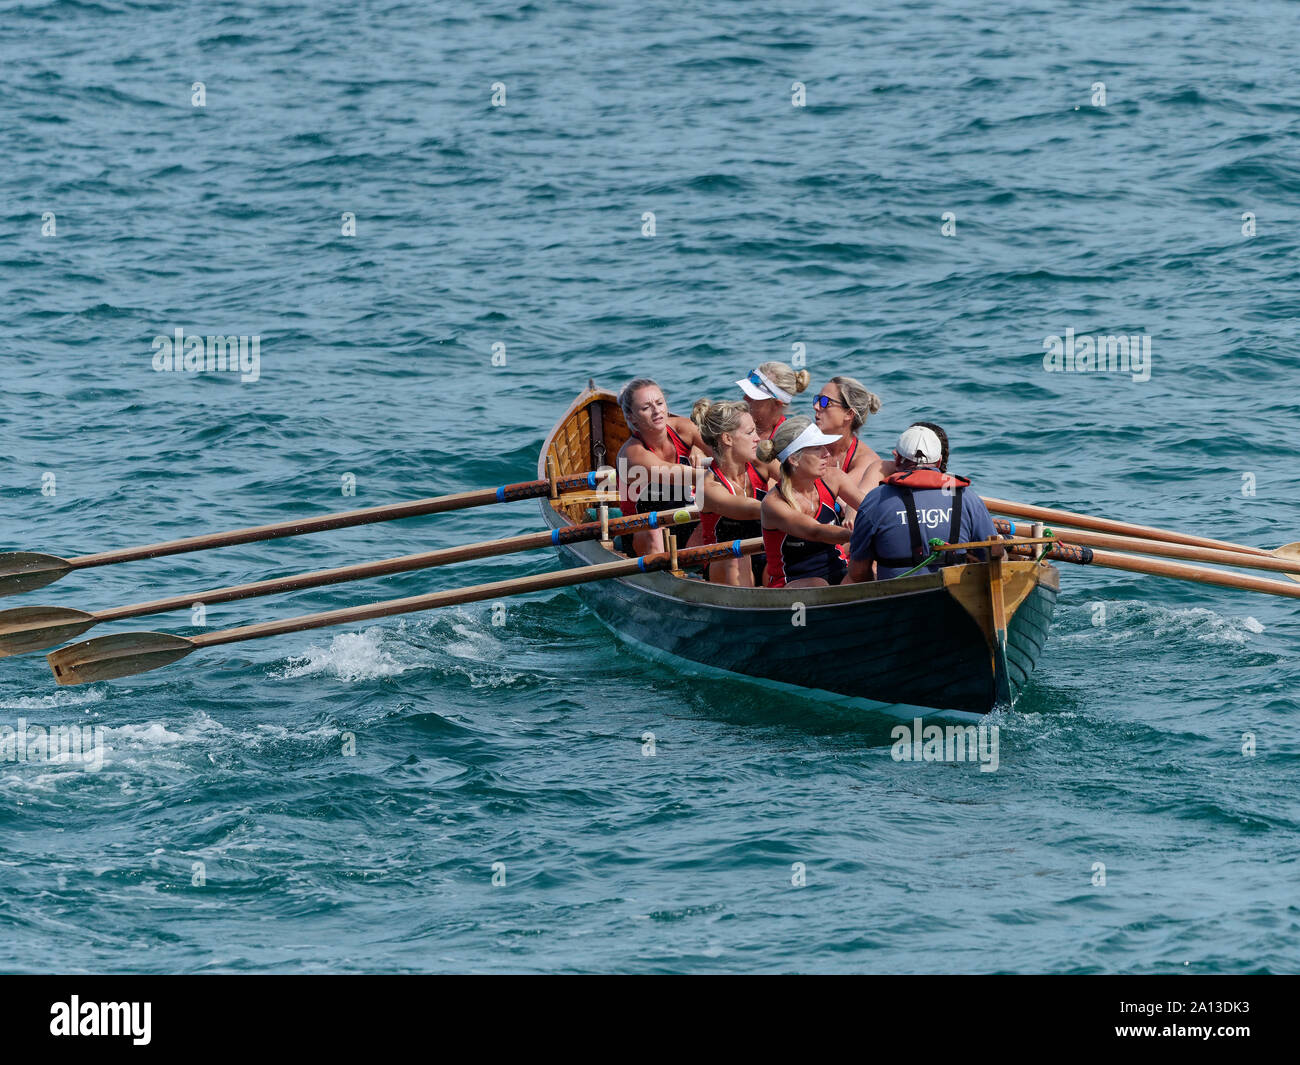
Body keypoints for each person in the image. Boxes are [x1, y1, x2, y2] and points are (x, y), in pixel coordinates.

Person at [847, 423, 1000, 582]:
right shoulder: (967, 497)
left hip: (895, 599)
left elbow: (858, 572)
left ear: (897, 459)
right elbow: (995, 560)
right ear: (939, 462)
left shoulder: (875, 500)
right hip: (954, 598)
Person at [758, 417, 866, 588]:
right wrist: (859, 536)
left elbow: (869, 508)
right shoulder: (774, 504)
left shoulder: (834, 478)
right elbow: (816, 532)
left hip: (838, 570)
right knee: (818, 584)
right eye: (817, 448)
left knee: (870, 571)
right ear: (794, 459)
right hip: (792, 582)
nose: (827, 453)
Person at [616, 378, 709, 556]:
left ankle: (698, 568)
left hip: (685, 520)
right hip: (643, 531)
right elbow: (680, 475)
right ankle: (662, 573)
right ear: (631, 418)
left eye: (659, 403)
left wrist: (699, 448)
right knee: (653, 529)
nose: (656, 410)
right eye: (646, 408)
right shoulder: (632, 454)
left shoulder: (684, 428)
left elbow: (723, 451)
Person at [691, 399, 765, 586]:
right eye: (750, 433)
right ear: (727, 439)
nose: (758, 438)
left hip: (763, 555)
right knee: (736, 555)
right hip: (724, 564)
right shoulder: (708, 488)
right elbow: (752, 509)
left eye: (756, 431)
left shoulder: (761, 465)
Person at [811, 376, 883, 483]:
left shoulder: (867, 462)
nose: (816, 406)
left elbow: (831, 495)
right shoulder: (805, 446)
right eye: (818, 399)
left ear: (849, 414)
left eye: (825, 402)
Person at [736, 361, 810, 440]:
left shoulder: (790, 441)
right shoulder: (731, 426)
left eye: (754, 397)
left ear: (777, 404)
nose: (745, 398)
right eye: (747, 393)